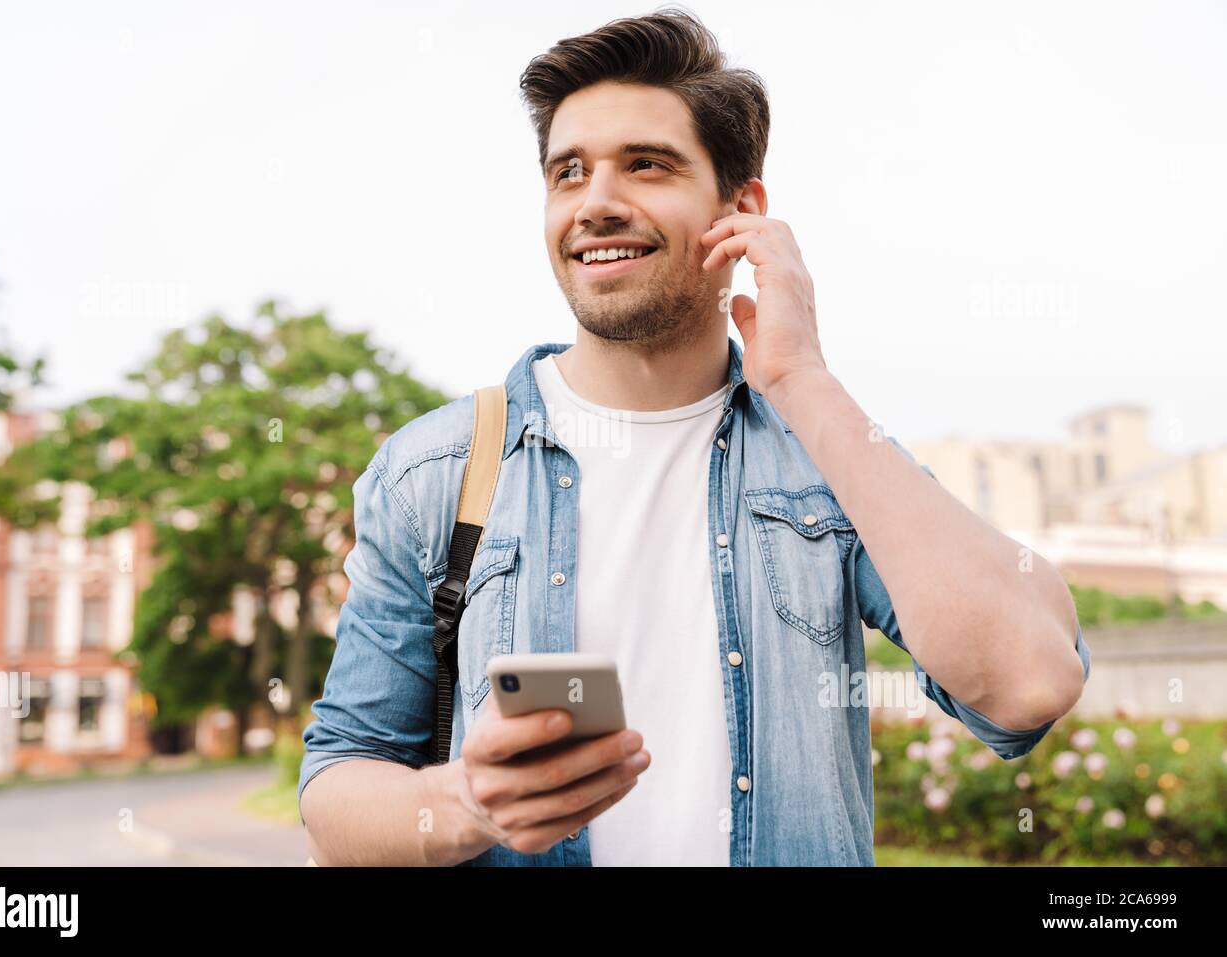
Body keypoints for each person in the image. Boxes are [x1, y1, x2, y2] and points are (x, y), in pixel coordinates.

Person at [298, 7, 1090, 866]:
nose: (596, 203)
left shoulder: (823, 457)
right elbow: (335, 799)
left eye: (646, 164)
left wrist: (802, 381)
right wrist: (462, 800)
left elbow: (1027, 683)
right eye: (568, 171)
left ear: (740, 208)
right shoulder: (435, 472)